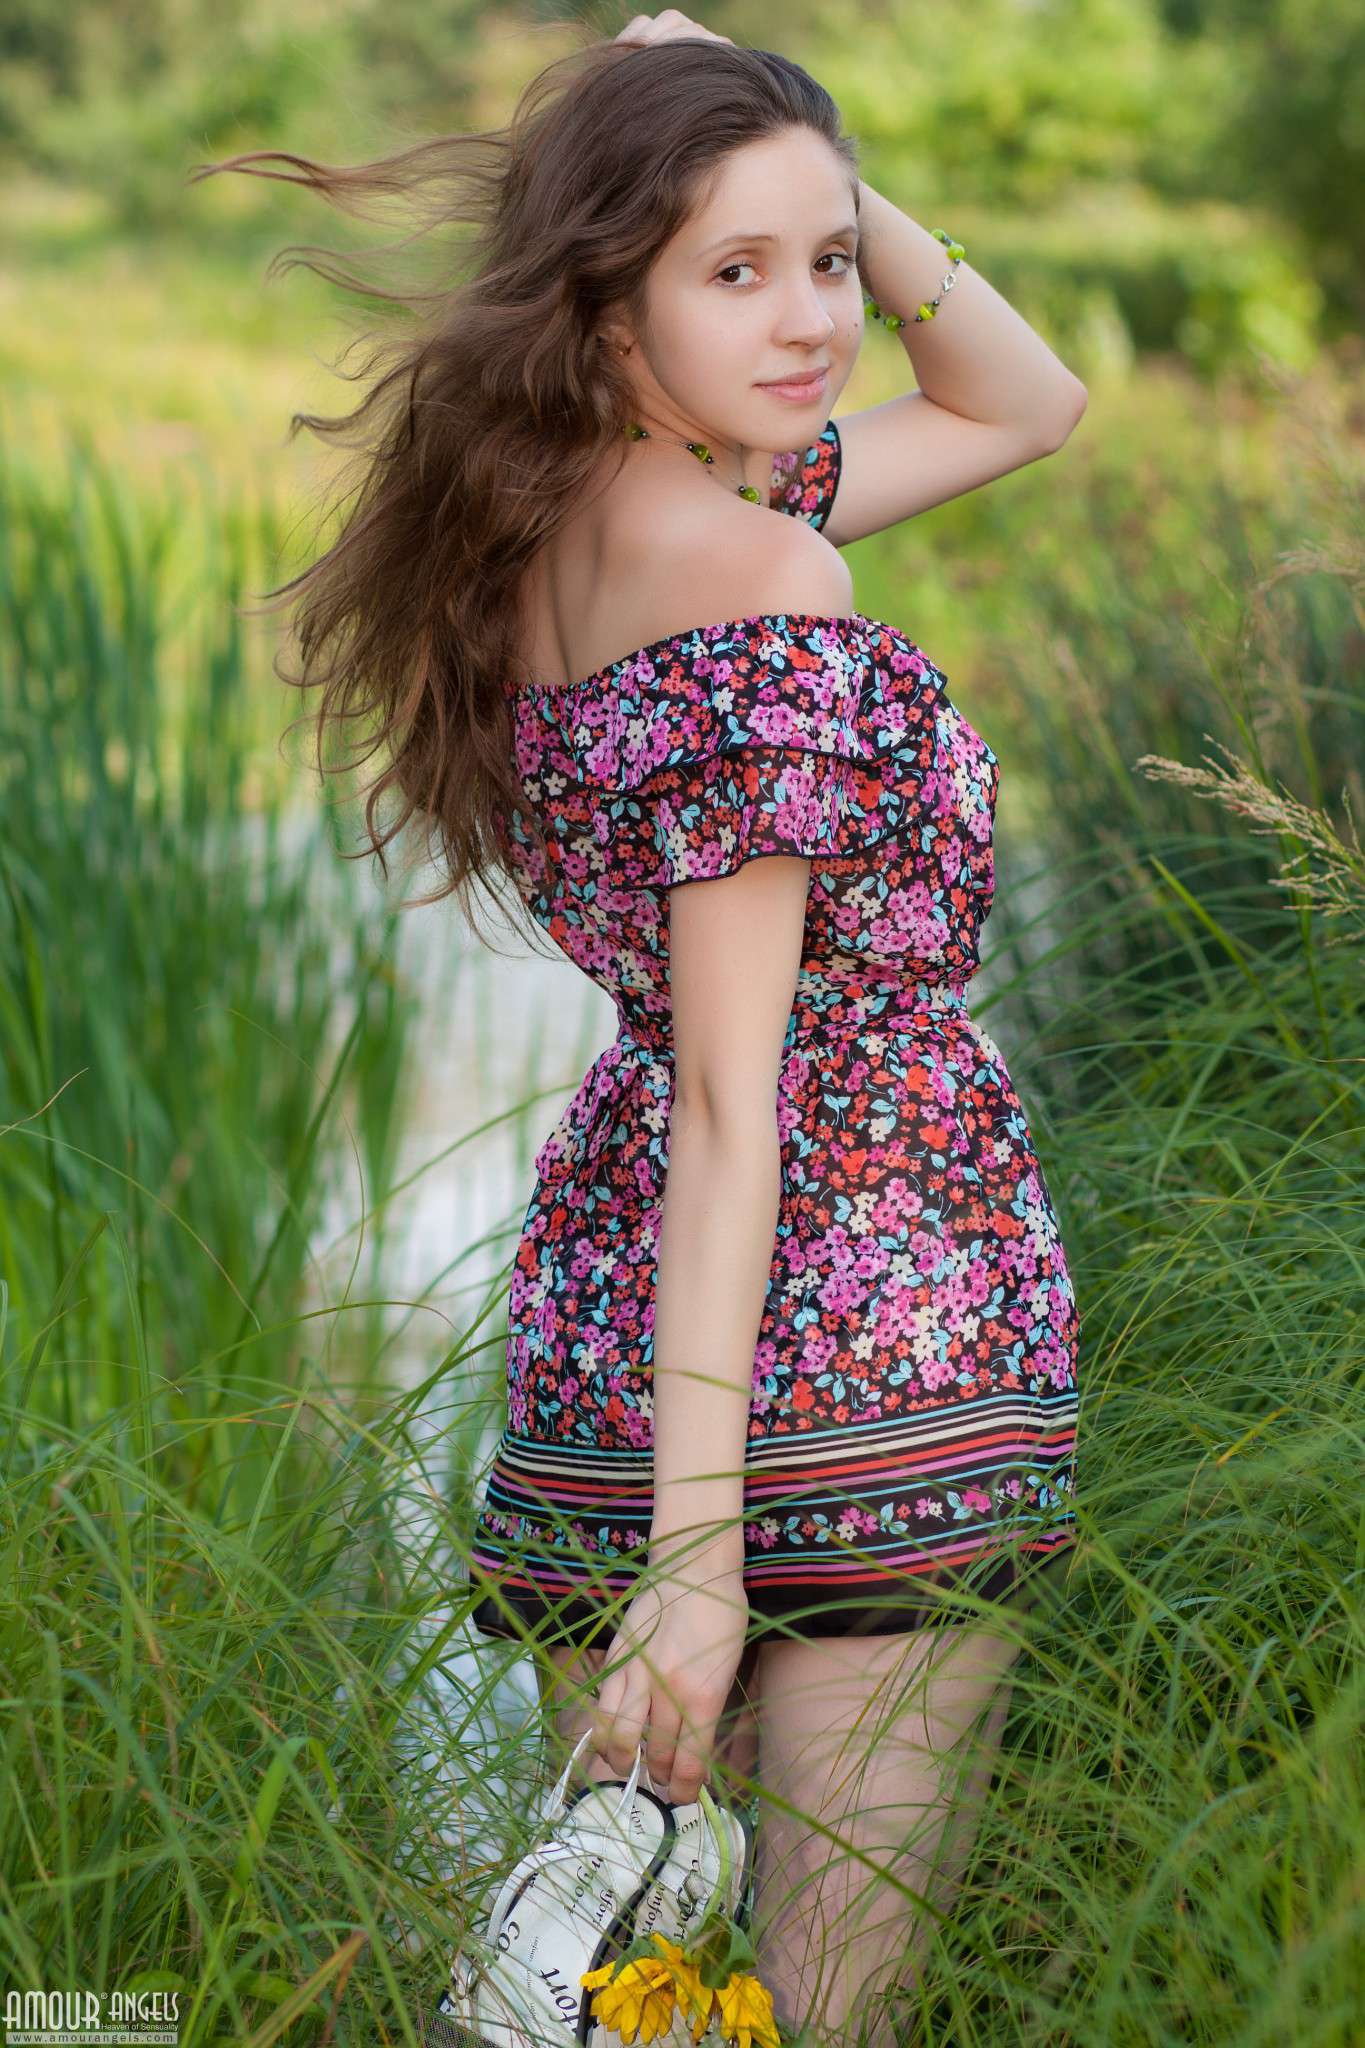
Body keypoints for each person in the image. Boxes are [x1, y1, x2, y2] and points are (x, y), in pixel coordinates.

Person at [201, 18, 1086, 2041]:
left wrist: (781, 153)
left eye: (829, 263)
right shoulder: (758, 562)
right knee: (820, 2013)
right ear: (607, 305)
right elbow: (729, 1099)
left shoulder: (539, 538)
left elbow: (1027, 403)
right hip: (871, 1332)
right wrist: (704, 1562)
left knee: (640, 1993)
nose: (813, 318)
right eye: (733, 270)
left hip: (613, 1335)